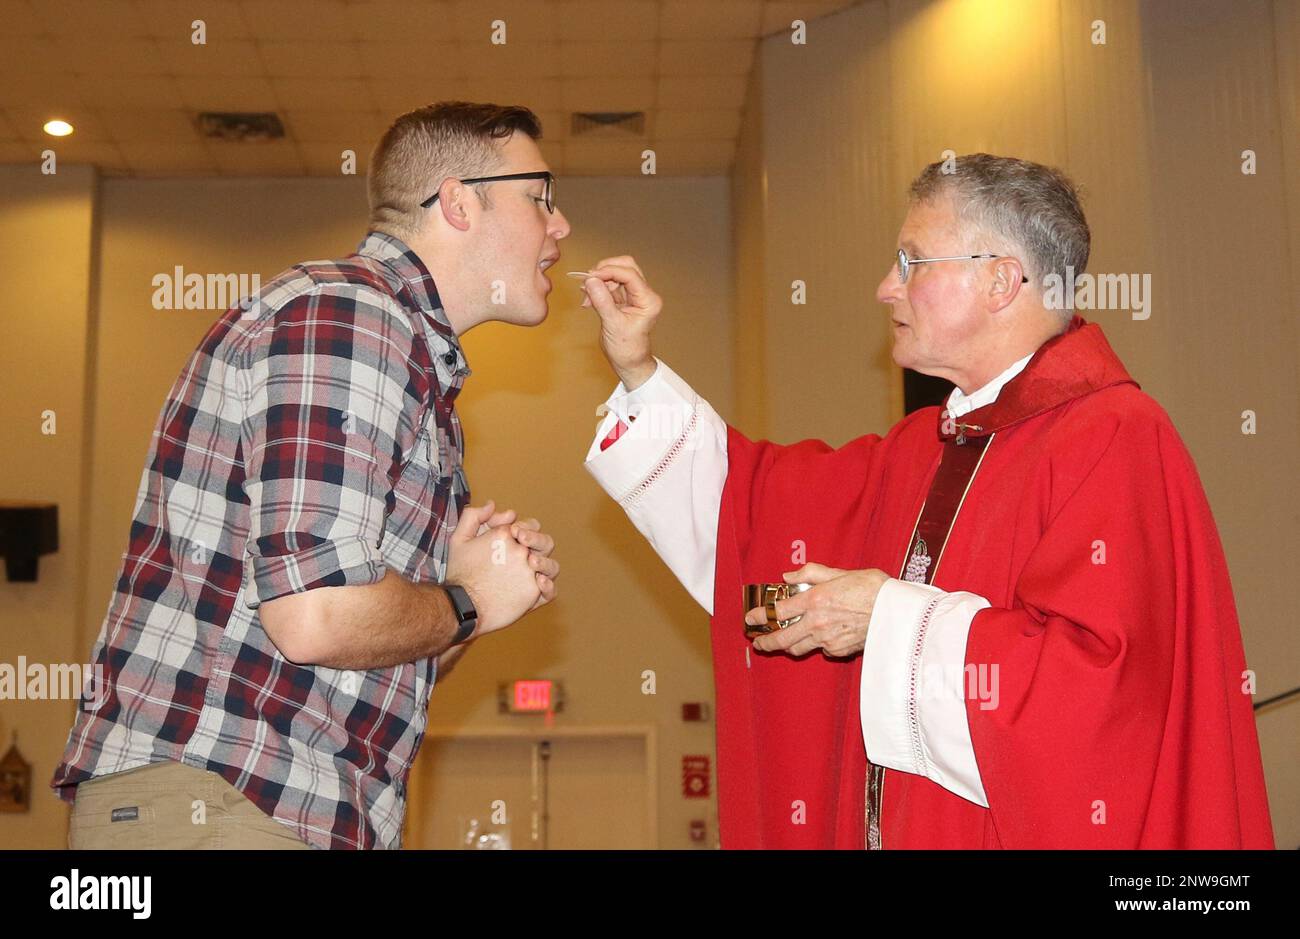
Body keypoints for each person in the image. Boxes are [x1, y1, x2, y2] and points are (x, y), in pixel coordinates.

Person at [581, 154, 1274, 849]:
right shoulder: (923, 449)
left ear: (1001, 280)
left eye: (912, 263)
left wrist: (885, 617)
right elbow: (751, 503)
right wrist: (639, 369)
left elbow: (1098, 701)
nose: (886, 289)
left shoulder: (1116, 438)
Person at [52, 102, 568, 850]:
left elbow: (358, 647)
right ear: (459, 201)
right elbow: (314, 617)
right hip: (223, 802)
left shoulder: (415, 372)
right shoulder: (349, 317)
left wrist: (459, 598)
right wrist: (469, 600)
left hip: (271, 808)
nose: (561, 227)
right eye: (540, 197)